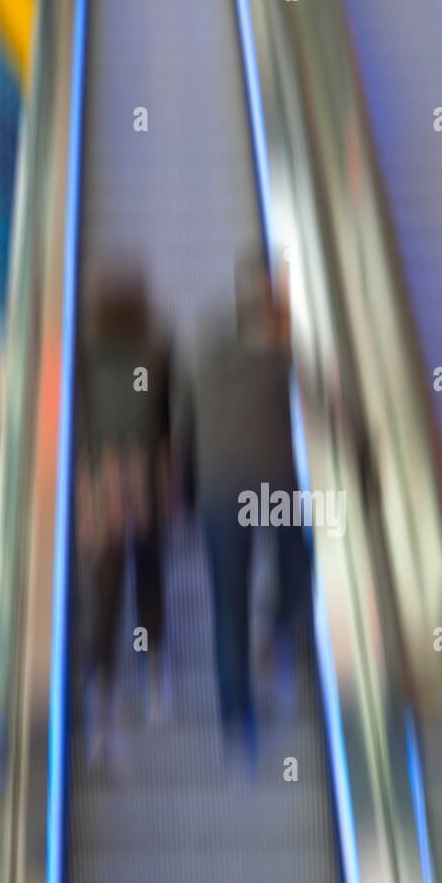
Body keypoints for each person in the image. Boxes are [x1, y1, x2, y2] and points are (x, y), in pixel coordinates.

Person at [175, 249, 309, 761]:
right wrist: (363, 452)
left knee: (227, 607)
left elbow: (182, 427)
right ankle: (274, 636)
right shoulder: (278, 351)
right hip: (271, 489)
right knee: (297, 565)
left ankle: (238, 726)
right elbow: (325, 401)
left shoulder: (206, 353)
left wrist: (186, 496)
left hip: (220, 492)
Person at [78, 270, 171, 762]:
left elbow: (79, 420)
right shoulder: (157, 351)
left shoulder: (85, 357)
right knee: (150, 575)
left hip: (100, 481)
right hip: (146, 477)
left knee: (105, 593)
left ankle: (103, 710)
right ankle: (156, 679)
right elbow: (168, 420)